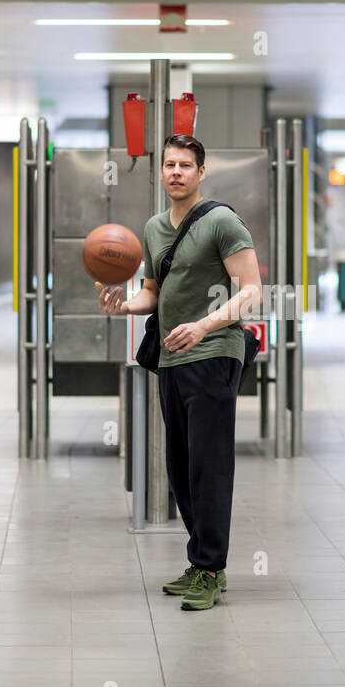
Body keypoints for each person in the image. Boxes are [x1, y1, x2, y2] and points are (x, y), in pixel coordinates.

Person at [96, 134, 262, 611]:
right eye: (169, 164)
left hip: (214, 354)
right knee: (182, 468)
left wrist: (205, 324)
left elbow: (252, 290)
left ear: (201, 172)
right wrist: (123, 305)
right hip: (171, 358)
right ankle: (202, 562)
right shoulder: (152, 228)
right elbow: (153, 292)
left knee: (210, 466)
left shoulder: (221, 222)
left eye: (185, 165)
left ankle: (211, 568)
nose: (176, 172)